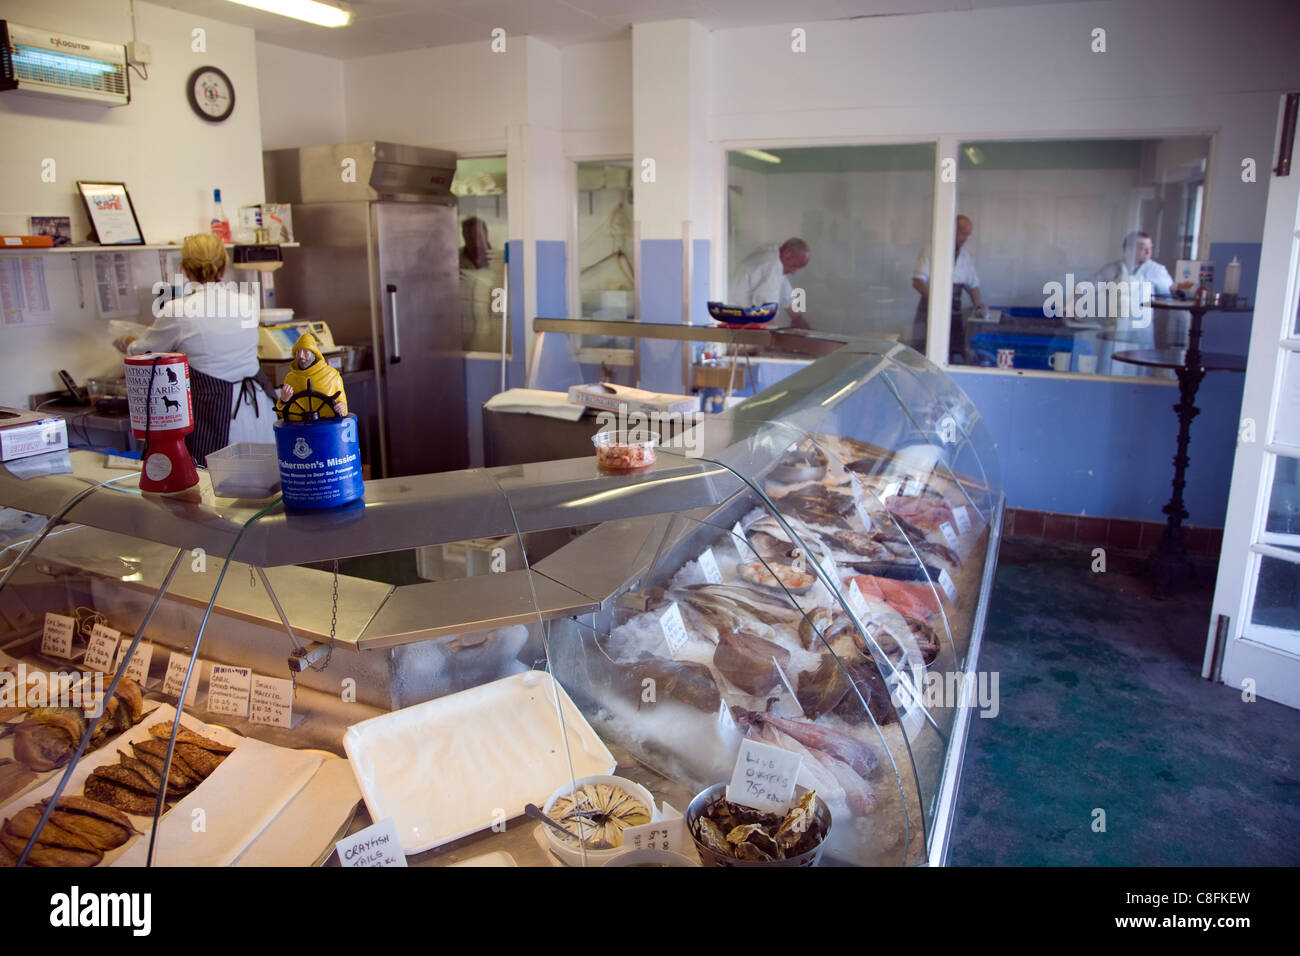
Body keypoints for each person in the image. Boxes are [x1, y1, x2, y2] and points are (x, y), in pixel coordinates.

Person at [114, 234, 275, 466]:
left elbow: (144, 352)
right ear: (224, 267)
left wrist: (125, 341)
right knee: (263, 480)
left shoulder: (179, 310)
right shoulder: (247, 302)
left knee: (213, 488)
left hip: (214, 417)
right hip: (258, 409)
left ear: (186, 270)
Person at [912, 215, 987, 362]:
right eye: (963, 233)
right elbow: (918, 282)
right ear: (952, 230)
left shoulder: (965, 257)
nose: (965, 239)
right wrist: (939, 302)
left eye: (968, 235)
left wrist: (978, 304)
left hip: (955, 313)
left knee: (954, 354)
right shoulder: (932, 249)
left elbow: (973, 285)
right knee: (925, 353)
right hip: (930, 310)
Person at [729, 238, 811, 329]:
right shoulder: (772, 265)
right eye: (794, 266)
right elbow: (768, 311)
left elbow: (786, 296)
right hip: (741, 318)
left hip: (745, 316)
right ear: (788, 253)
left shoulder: (776, 257)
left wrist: (798, 318)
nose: (793, 272)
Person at [459, 217, 506, 351]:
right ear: (463, 236)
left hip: (494, 322)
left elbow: (502, 296)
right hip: (465, 325)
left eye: (478, 237)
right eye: (470, 238)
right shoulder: (454, 260)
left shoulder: (499, 260)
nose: (475, 243)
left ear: (486, 234)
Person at [276, 332, 347, 418]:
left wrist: (341, 407)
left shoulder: (332, 376)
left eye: (306, 351)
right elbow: (280, 413)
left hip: (327, 429)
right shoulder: (290, 378)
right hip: (297, 429)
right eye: (298, 352)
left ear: (315, 353)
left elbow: (343, 410)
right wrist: (283, 400)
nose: (301, 356)